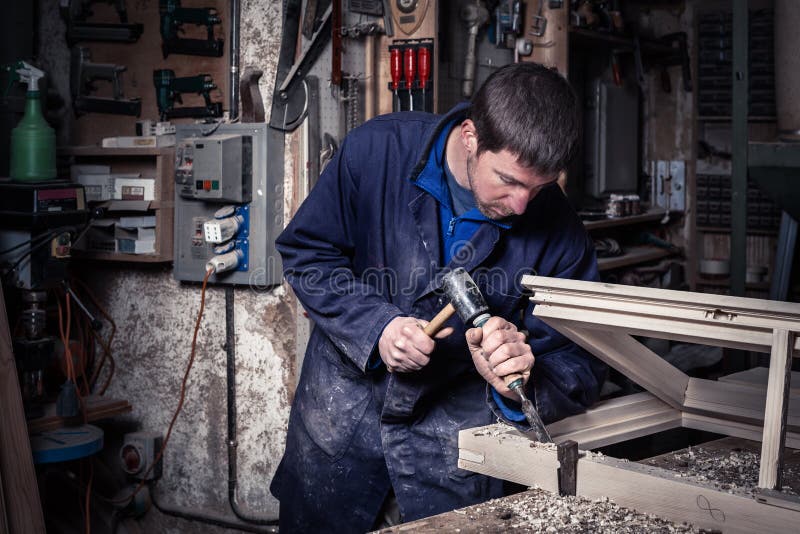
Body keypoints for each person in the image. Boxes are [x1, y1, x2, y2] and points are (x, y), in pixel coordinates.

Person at [270, 62, 607, 532]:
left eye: (541, 186)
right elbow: (308, 255)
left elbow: (583, 364)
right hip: (342, 424)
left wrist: (517, 380)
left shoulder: (557, 227)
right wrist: (376, 328)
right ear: (470, 135)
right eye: (508, 181)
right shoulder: (377, 152)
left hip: (456, 453)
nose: (522, 205)